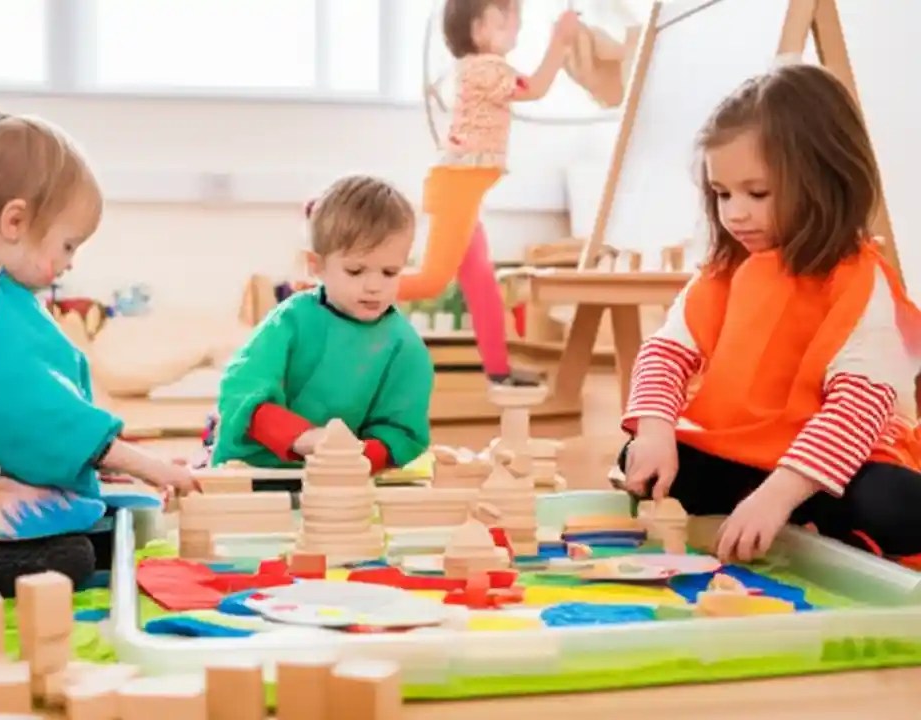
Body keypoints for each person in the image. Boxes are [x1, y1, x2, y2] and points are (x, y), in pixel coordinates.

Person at [619, 64, 921, 567]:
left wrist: (778, 496)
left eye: (757, 194)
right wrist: (654, 430)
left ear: (825, 181)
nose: (734, 213)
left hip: (840, 466)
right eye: (722, 194)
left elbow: (856, 408)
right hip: (748, 456)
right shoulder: (723, 272)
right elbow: (666, 353)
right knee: (644, 460)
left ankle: (804, 523)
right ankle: (778, 520)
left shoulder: (858, 283)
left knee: (897, 504)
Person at [0, 104, 199, 598]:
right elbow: (37, 416)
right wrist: (153, 467)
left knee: (111, 530)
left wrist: (119, 465)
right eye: (67, 246)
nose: (69, 263)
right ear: (15, 221)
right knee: (72, 558)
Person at [399, 0, 579, 387]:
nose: (515, 28)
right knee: (432, 281)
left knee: (481, 282)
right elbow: (536, 88)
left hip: (462, 190)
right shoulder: (485, 68)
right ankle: (326, 291)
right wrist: (560, 41)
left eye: (517, 21)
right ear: (478, 30)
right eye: (505, 20)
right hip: (457, 188)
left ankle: (498, 370)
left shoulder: (480, 67)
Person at [211, 175, 434, 473]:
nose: (374, 286)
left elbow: (403, 433)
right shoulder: (291, 319)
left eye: (390, 272)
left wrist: (356, 457)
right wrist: (305, 439)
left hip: (342, 479)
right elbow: (241, 391)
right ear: (316, 266)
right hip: (256, 469)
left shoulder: (404, 345)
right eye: (355, 271)